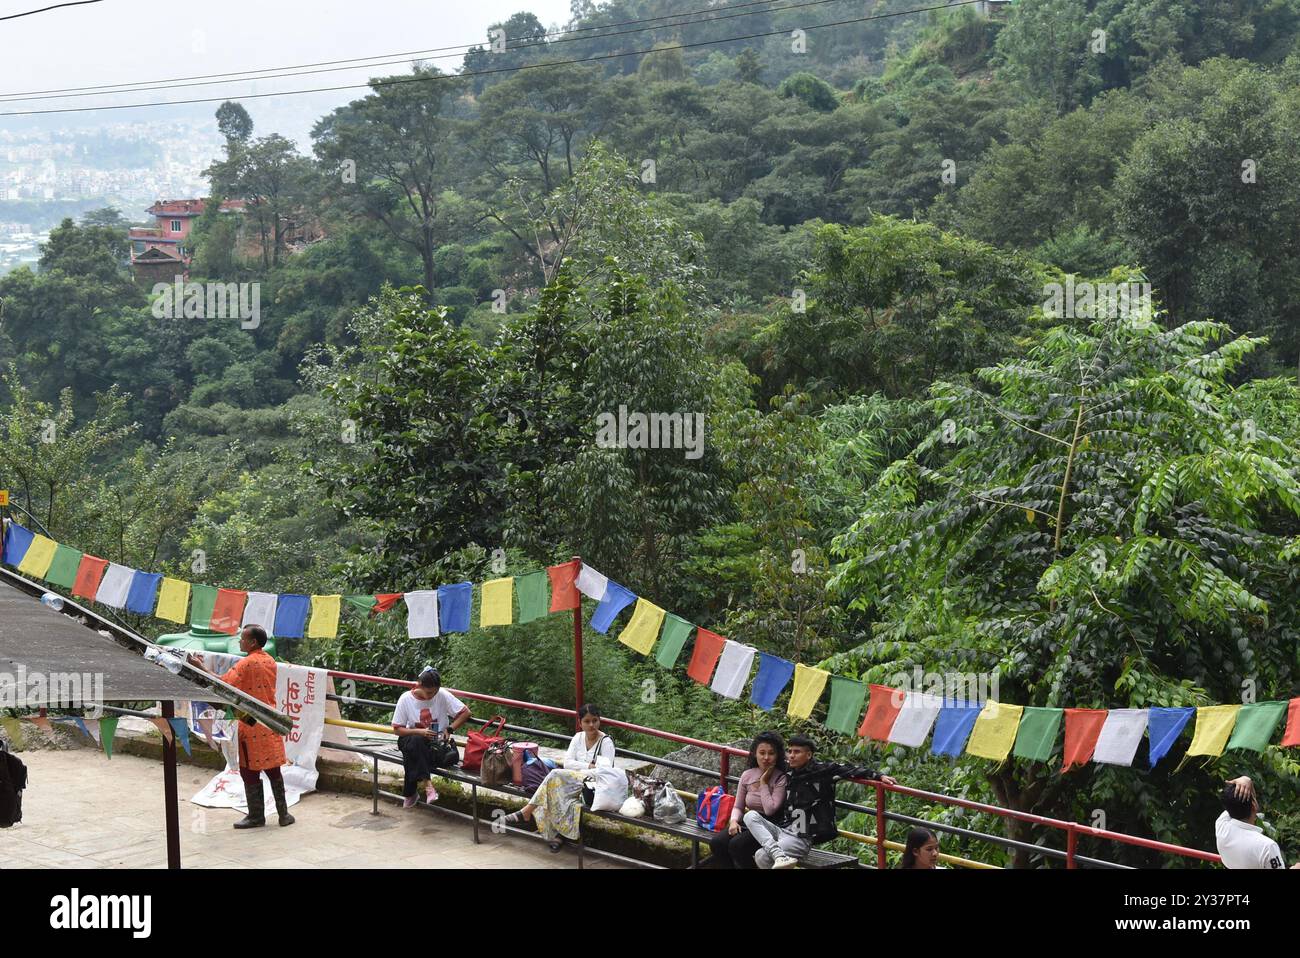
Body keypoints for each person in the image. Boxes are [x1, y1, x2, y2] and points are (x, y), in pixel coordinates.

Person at [186, 625, 294, 829]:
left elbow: (223, 683)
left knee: (249, 771)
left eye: (243, 639)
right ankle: (284, 814)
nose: (239, 642)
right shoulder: (270, 661)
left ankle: (256, 816)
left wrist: (199, 666)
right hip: (269, 721)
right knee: (273, 770)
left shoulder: (246, 664)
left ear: (253, 642)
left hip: (251, 722)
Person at [743, 734, 897, 869]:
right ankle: (779, 855)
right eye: (789, 751)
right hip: (783, 830)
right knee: (750, 816)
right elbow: (766, 758)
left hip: (801, 837)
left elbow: (850, 769)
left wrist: (879, 776)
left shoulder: (823, 770)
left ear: (809, 755)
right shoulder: (788, 770)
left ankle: (779, 855)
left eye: (797, 752)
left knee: (761, 855)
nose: (791, 756)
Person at [500, 704, 613, 852]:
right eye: (587, 721)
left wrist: (582, 768)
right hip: (571, 781)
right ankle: (559, 835)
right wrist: (590, 766)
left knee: (554, 776)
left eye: (594, 720)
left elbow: (605, 771)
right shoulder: (578, 738)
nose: (591, 724)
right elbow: (567, 763)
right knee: (556, 789)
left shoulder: (606, 742)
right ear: (580, 723)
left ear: (599, 721)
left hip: (592, 787)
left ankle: (527, 813)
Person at [704, 731, 788, 869]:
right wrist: (733, 821)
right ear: (755, 754)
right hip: (749, 820)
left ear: (777, 755)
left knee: (737, 846)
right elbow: (738, 806)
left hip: (770, 825)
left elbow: (770, 809)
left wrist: (763, 783)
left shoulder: (781, 778)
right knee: (717, 843)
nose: (766, 757)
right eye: (762, 753)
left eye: (771, 753)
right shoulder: (747, 775)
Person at [391, 667, 471, 808]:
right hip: (410, 739)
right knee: (415, 742)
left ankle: (410, 794)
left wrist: (450, 728)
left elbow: (465, 712)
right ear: (419, 685)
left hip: (434, 746)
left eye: (435, 692)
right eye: (429, 692)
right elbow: (397, 730)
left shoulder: (442, 695)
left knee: (412, 753)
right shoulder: (405, 699)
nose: (432, 695)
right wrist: (419, 732)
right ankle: (428, 787)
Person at [1216, 775, 1299, 869]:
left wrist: (1246, 780)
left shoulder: (1221, 825)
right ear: (1253, 806)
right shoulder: (1267, 847)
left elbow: (1232, 805)